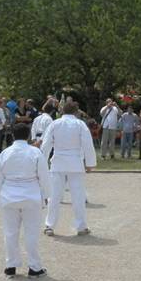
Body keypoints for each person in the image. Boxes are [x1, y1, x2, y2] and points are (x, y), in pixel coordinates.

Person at [0, 123, 49, 279]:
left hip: (9, 195)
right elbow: (44, 176)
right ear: (28, 135)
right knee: (31, 233)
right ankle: (34, 267)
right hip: (31, 195)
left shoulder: (4, 153)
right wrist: (46, 195)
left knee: (10, 232)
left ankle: (10, 266)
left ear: (12, 135)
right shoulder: (35, 152)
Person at [40, 101, 97, 236]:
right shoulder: (80, 124)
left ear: (62, 111)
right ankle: (81, 226)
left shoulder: (55, 124)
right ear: (76, 112)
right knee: (78, 196)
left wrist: (42, 162)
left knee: (54, 196)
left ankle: (49, 225)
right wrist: (90, 163)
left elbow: (46, 144)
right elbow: (88, 144)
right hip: (75, 163)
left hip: (58, 163)